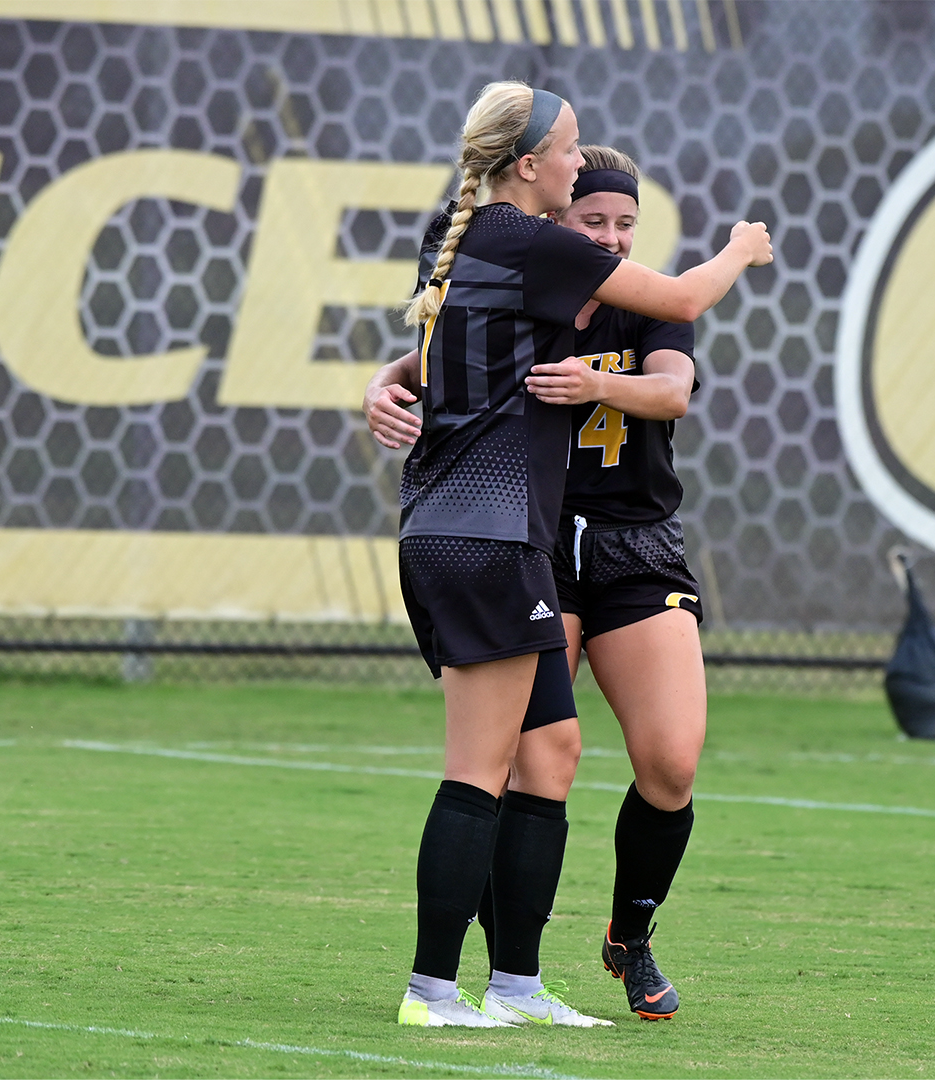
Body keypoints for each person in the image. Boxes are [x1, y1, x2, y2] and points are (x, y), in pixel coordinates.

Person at [379, 81, 770, 1027]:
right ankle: (433, 991)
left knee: (553, 747)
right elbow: (681, 294)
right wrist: (741, 251)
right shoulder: (531, 243)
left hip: (500, 531)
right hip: (493, 532)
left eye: (620, 215)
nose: (579, 166)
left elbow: (437, 360)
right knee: (480, 770)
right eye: (570, 153)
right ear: (531, 166)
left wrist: (383, 382)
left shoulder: (474, 240)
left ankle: (516, 985)